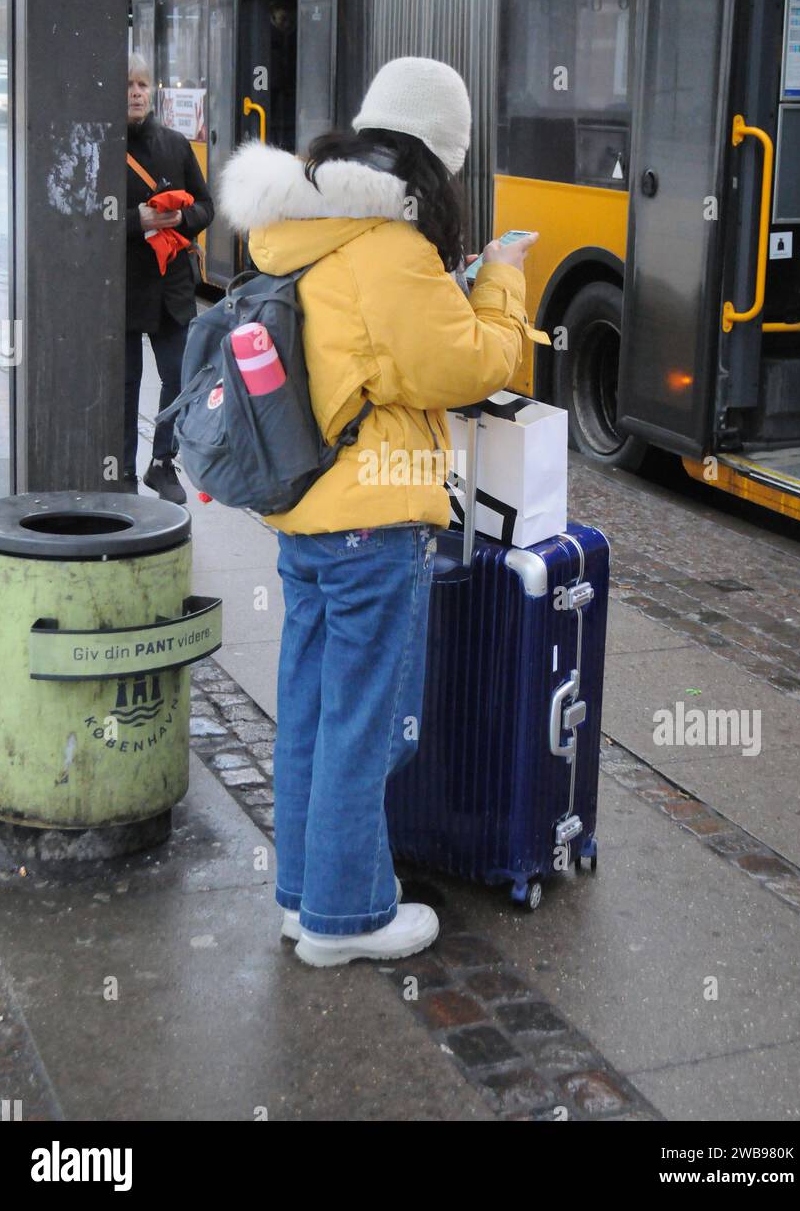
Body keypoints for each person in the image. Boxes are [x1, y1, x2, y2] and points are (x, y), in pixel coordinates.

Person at [219, 57, 540, 967]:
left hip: (306, 509)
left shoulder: (306, 229)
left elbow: (373, 348)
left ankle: (302, 897)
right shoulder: (391, 247)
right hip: (373, 520)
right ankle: (347, 917)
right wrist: (501, 280)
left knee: (315, 711)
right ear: (436, 155)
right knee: (367, 723)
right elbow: (470, 368)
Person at [125, 53, 214, 502]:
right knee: (125, 384)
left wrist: (180, 218)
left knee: (178, 378)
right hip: (122, 289)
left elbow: (206, 206)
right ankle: (122, 470)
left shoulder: (175, 145)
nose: (137, 93)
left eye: (142, 85)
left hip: (170, 288)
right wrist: (133, 222)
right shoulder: (102, 148)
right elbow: (81, 224)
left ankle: (162, 462)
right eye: (127, 86)